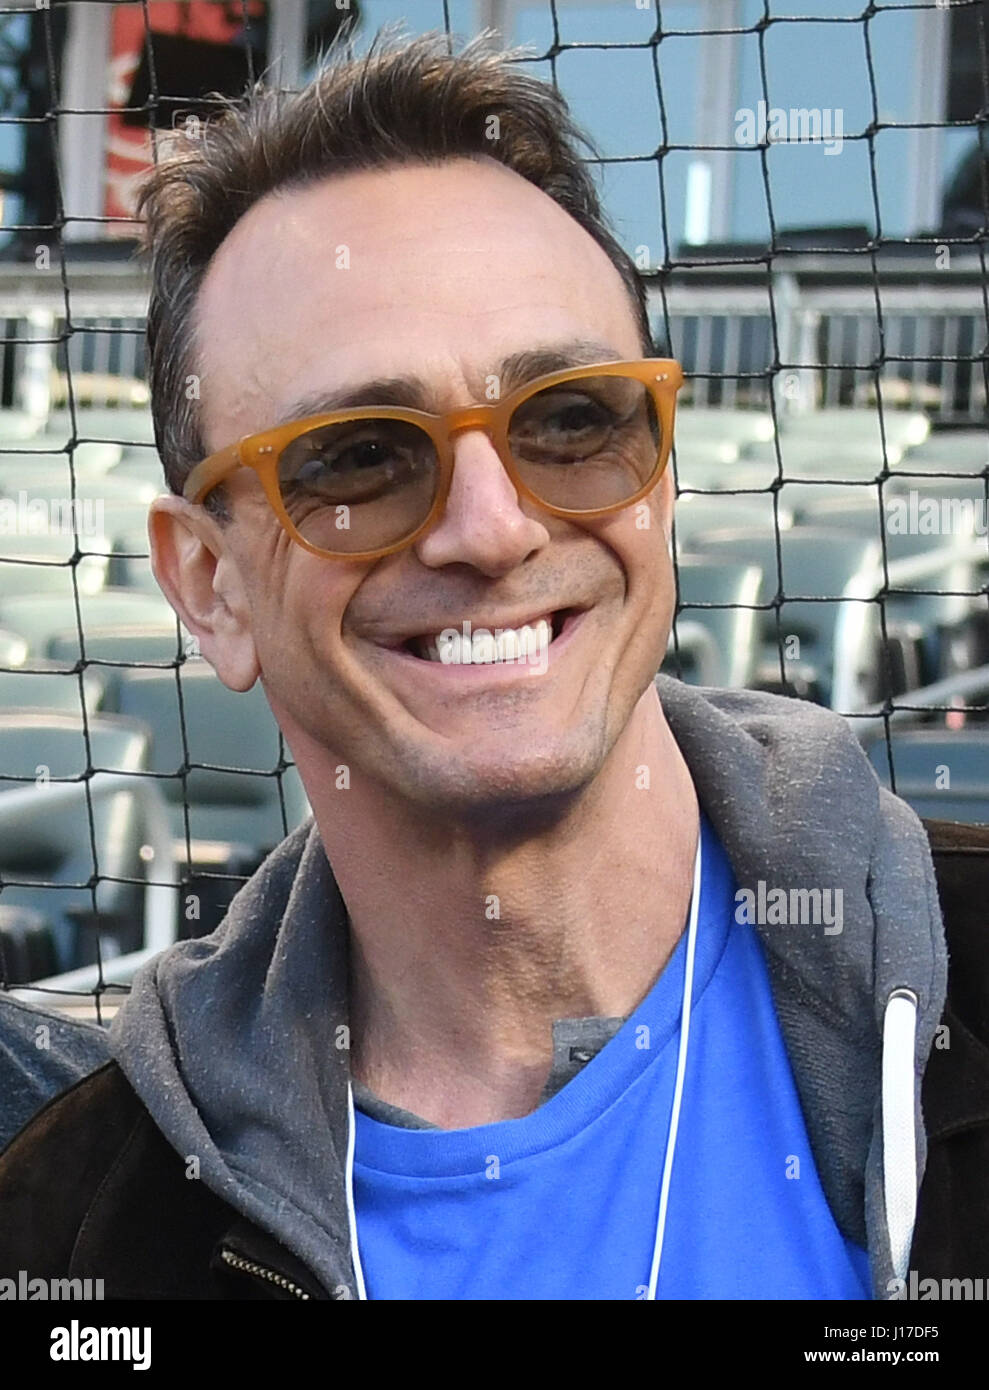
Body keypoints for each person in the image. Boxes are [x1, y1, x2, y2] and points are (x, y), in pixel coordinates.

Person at [1, 29, 987, 1302]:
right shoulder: (83, 1228)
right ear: (208, 585)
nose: (492, 525)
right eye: (358, 454)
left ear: (662, 477)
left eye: (572, 420)